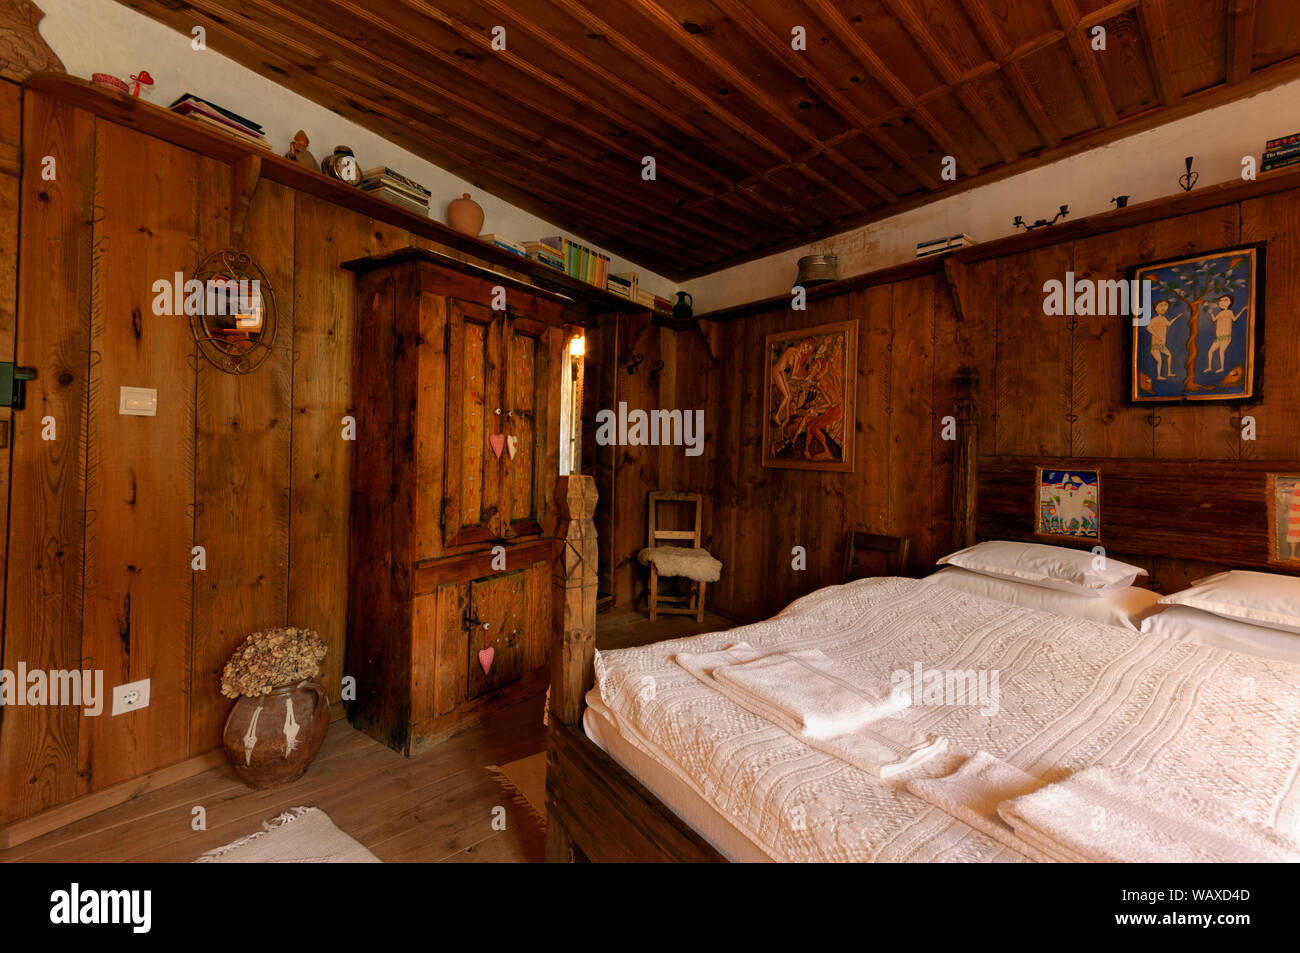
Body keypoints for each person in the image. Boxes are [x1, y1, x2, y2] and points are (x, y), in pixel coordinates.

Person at [1204, 294, 1247, 374]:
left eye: (1225, 300)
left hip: (1226, 336)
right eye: (1221, 300)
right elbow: (1214, 319)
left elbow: (1234, 319)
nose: (1222, 302)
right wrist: (1210, 312)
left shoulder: (1229, 312)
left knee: (1221, 351)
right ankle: (1209, 367)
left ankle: (1222, 367)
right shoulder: (1220, 313)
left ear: (1230, 302)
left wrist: (1242, 310)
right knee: (1210, 351)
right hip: (1219, 337)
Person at [1145, 299, 1181, 380]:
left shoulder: (1164, 318)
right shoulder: (1155, 319)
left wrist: (1177, 317)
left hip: (1161, 345)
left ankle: (1169, 372)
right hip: (1155, 345)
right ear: (1156, 308)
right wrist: (1157, 336)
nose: (1164, 308)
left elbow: (1169, 324)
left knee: (1169, 355)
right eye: (1161, 305)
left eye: (1165, 305)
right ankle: (1158, 376)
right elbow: (1148, 328)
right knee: (1159, 361)